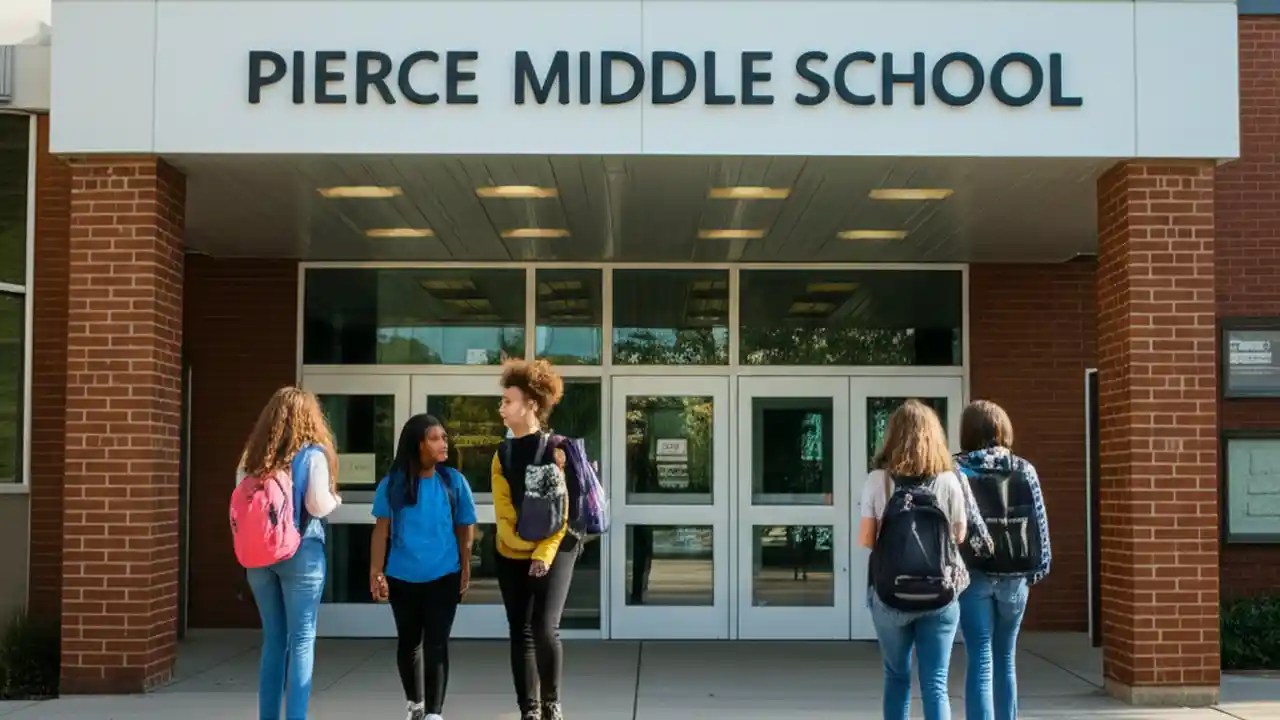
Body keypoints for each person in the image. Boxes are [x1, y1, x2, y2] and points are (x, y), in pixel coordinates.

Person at [857, 399, 969, 720]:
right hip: (941, 595)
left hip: (890, 594)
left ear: (892, 436)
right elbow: (959, 537)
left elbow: (866, 539)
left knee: (896, 677)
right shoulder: (949, 481)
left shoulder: (878, 480)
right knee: (935, 684)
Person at [238, 387, 343, 720]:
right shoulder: (312, 455)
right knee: (301, 640)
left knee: (273, 640)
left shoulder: (251, 458)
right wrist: (336, 500)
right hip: (302, 554)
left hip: (258, 558)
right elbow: (317, 504)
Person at [369, 414, 478, 720]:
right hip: (402, 577)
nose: (443, 443)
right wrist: (376, 570)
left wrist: (465, 569)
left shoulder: (454, 481)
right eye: (435, 438)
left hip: (444, 575)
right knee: (408, 644)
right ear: (417, 445)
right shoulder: (393, 484)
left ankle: (434, 712)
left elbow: (464, 529)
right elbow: (381, 530)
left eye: (444, 437)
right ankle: (415, 704)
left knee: (437, 642)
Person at [492, 359, 580, 720]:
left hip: (556, 549)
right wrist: (518, 549)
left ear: (531, 404)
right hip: (511, 549)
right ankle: (528, 709)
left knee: (545, 628)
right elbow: (503, 512)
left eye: (508, 401)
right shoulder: (502, 453)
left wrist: (541, 554)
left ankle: (551, 704)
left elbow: (562, 514)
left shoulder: (556, 450)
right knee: (520, 631)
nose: (501, 407)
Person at [955, 400, 1052, 720]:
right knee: (1005, 658)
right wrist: (1036, 572)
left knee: (980, 659)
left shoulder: (957, 469)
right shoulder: (1025, 469)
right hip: (1015, 575)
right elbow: (1039, 523)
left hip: (975, 575)